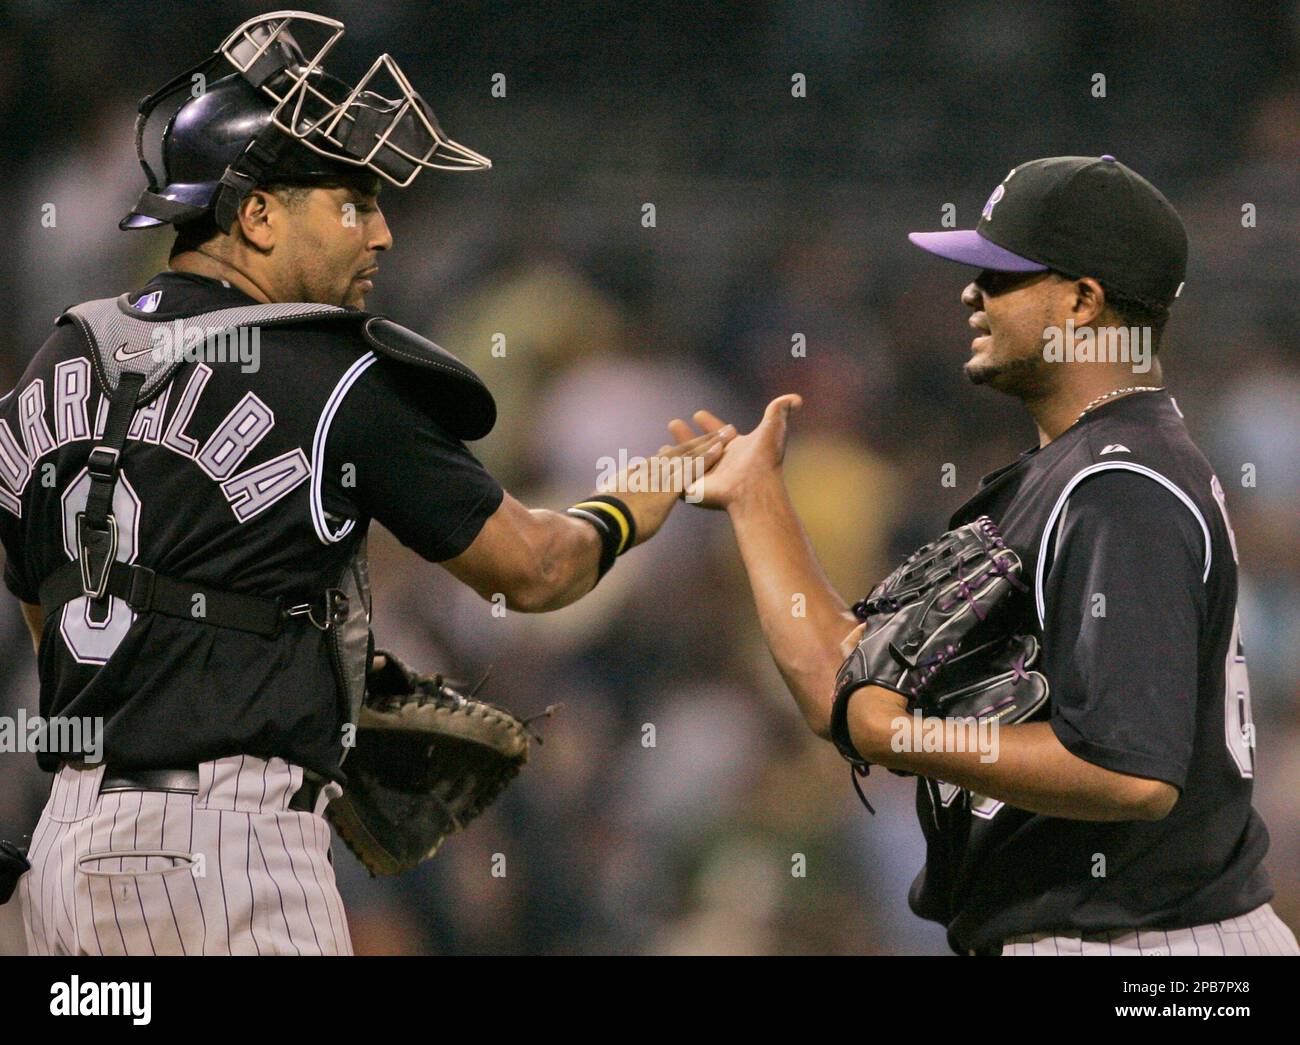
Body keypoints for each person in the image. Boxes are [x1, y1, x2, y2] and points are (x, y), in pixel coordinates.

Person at [0, 11, 731, 956]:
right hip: (220, 855)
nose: (381, 232)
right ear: (254, 213)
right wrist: (648, 493)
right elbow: (538, 569)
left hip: (60, 853)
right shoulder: (331, 371)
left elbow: (51, 620)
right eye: (351, 201)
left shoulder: (58, 356)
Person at [680, 155, 1299, 956]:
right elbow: (847, 691)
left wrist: (906, 738)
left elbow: (1131, 773)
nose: (972, 292)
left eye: (1003, 274)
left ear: (1082, 300)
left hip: (1150, 952)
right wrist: (755, 497)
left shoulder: (1121, 484)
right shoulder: (1075, 474)